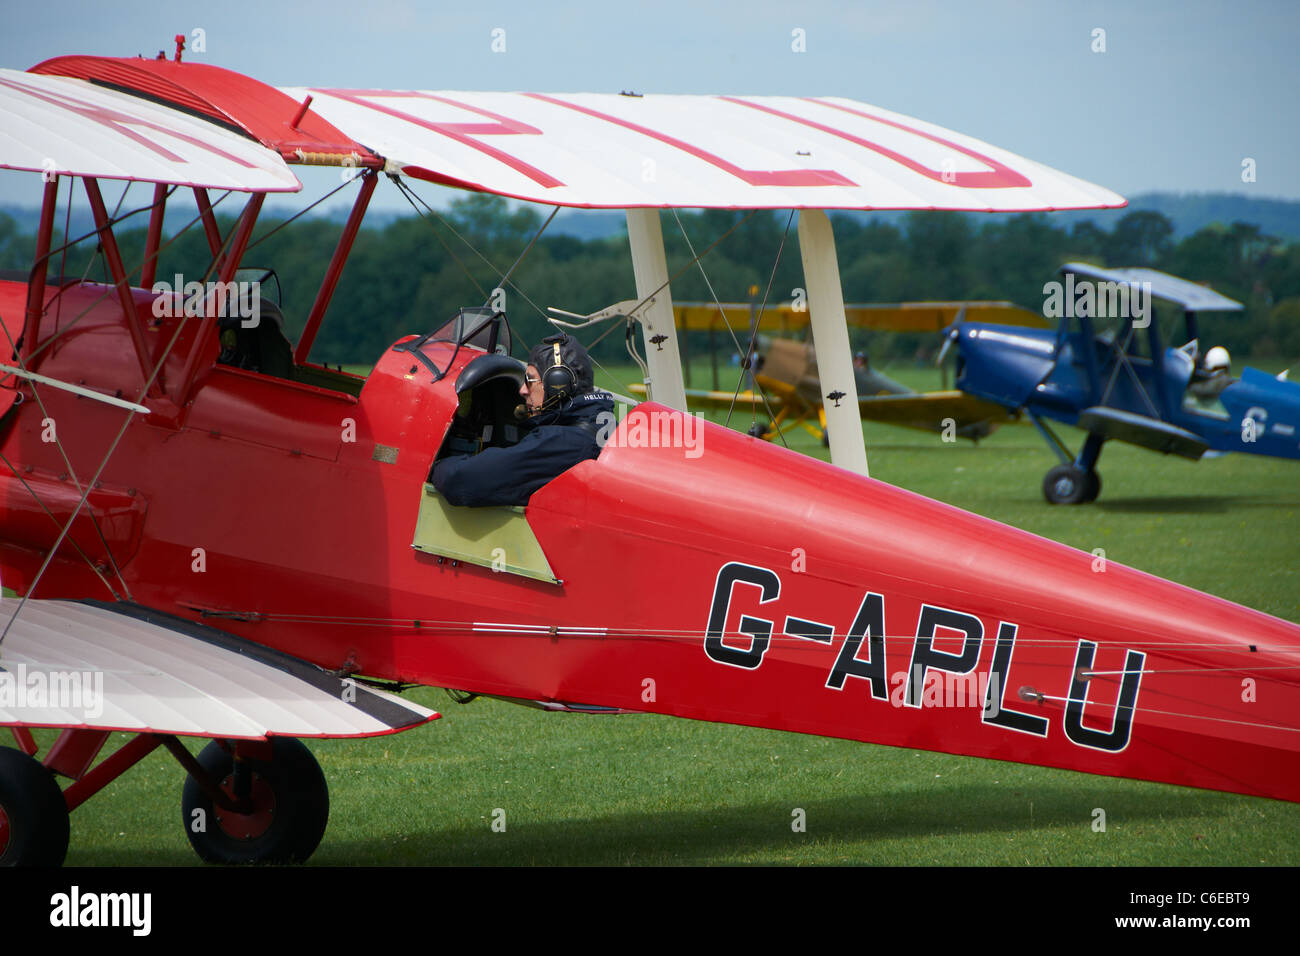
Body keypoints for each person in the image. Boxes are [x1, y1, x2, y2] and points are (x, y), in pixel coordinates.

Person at [432, 334, 615, 507]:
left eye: (529, 380)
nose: (522, 390)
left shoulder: (563, 443)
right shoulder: (601, 428)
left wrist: (436, 465)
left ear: (558, 385)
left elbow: (461, 481)